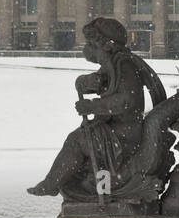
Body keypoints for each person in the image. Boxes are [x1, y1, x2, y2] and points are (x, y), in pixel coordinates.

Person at [27, 17, 166, 198]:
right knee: (80, 138)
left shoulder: (123, 65)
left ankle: (52, 184)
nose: (88, 48)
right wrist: (85, 82)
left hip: (125, 136)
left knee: (77, 140)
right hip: (114, 130)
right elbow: (100, 82)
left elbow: (125, 101)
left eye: (91, 44)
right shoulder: (111, 64)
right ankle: (65, 182)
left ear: (105, 45)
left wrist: (93, 106)